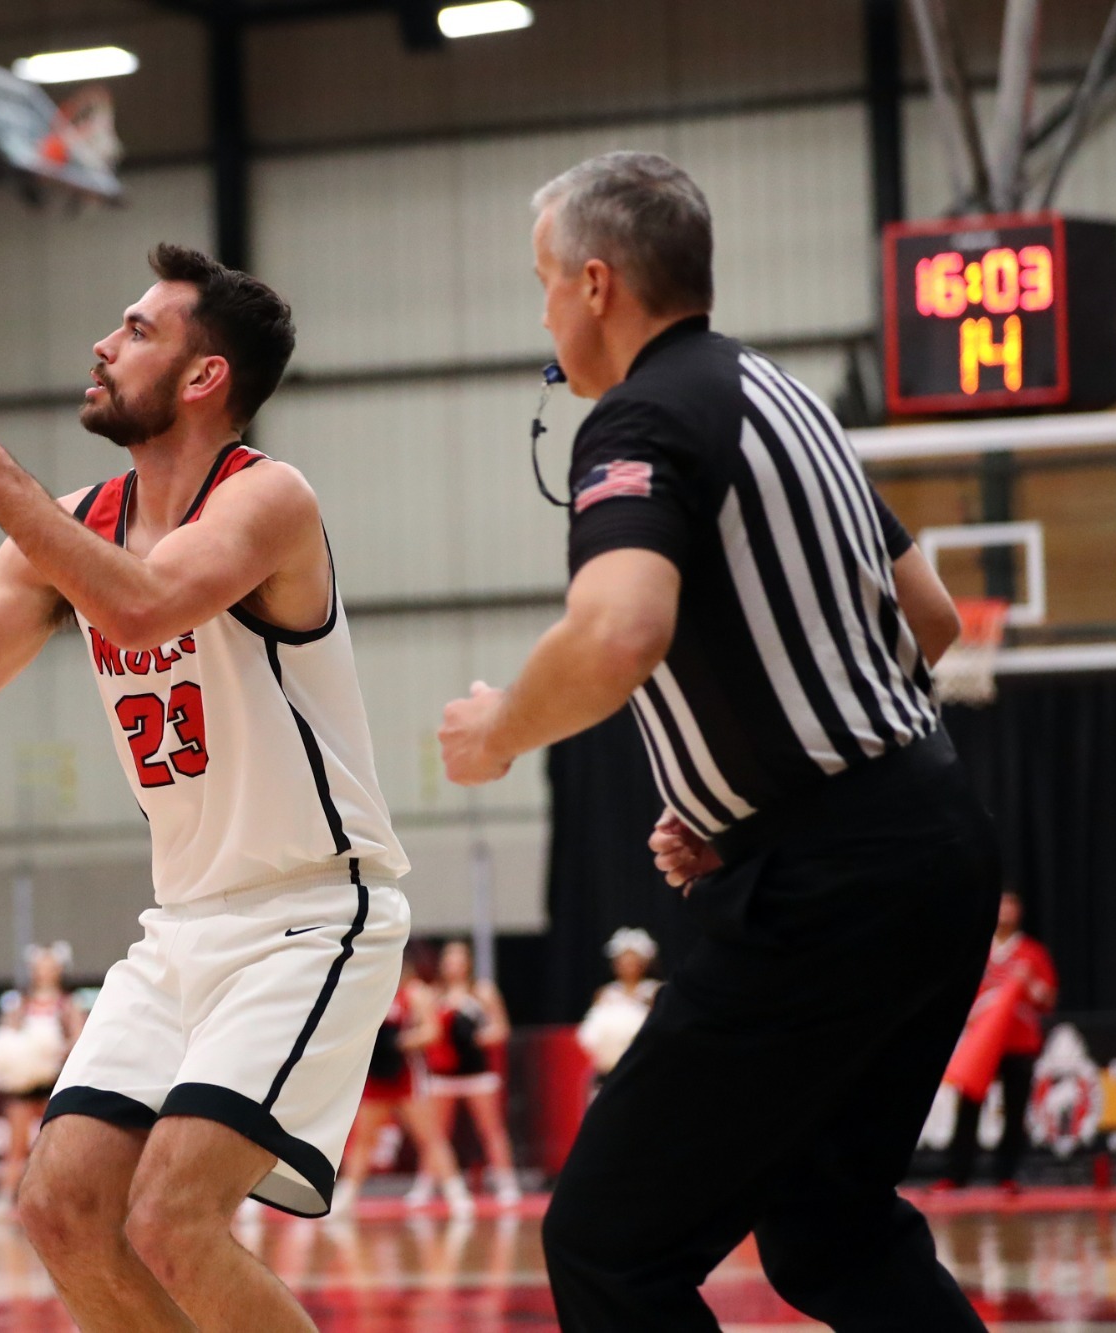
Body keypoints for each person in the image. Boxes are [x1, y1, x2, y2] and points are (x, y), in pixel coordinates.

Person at [435, 152, 997, 1331]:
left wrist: (494, 731)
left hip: (833, 884)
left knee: (605, 1240)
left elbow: (617, 630)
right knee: (828, 1229)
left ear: (595, 284)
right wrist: (759, 792)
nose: (539, 311)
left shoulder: (637, 413)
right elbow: (929, 620)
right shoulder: (784, 397)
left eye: (542, 283)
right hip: (932, 843)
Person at [0, 243, 411, 1328]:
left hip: (309, 912)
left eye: (138, 330)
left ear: (205, 378)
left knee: (171, 1214)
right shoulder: (68, 526)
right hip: (182, 925)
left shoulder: (266, 499)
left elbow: (145, 607)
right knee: (61, 1207)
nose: (103, 346)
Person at [334, 957, 472, 1218]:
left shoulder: (415, 992)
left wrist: (398, 1043)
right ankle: (347, 1196)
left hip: (406, 1075)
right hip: (376, 1076)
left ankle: (457, 1194)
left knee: (430, 1137)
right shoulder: (369, 990)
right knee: (363, 1139)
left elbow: (432, 1031)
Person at [943, 891, 1059, 1191]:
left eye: (1011, 905)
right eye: (1000, 905)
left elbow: (1048, 999)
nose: (1005, 912)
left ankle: (1006, 1175)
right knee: (968, 1109)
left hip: (1018, 1044)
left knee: (1015, 1109)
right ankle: (956, 1176)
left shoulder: (1031, 953)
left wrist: (1030, 983)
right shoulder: (976, 950)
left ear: (1019, 912)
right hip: (981, 1045)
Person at [0, 944, 81, 1227]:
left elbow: (78, 1040)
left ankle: (62, 1201)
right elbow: (6, 1038)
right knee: (17, 1146)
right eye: (40, 966)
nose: (44, 971)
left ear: (59, 969)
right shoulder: (21, 1005)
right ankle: (3, 1200)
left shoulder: (67, 1005)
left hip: (54, 1083)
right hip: (23, 1086)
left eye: (50, 965)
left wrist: (55, 1052)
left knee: (57, 1144)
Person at [426, 939, 522, 1207]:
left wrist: (475, 1036)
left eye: (459, 959)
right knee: (435, 1133)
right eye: (449, 959)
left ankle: (506, 1182)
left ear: (468, 962)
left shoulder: (482, 992)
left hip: (477, 1073)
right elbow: (428, 1030)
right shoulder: (434, 994)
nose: (454, 965)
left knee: (491, 1129)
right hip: (443, 1075)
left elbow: (501, 1029)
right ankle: (428, 1184)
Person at [575, 928, 661, 1081]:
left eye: (632, 960)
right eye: (622, 960)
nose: (627, 965)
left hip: (644, 1068)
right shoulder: (606, 993)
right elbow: (591, 1034)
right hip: (609, 1070)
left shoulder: (654, 991)